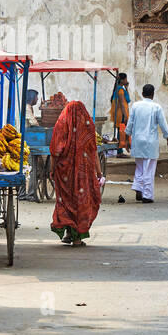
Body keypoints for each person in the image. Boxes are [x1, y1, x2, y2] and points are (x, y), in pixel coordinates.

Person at [49, 100, 103, 245]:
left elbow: (55, 150)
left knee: (66, 201)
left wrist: (52, 169)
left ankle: (69, 233)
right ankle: (77, 238)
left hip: (64, 172)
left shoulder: (61, 124)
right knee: (81, 202)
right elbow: (94, 151)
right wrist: (99, 173)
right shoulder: (87, 126)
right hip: (83, 174)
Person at [126, 84, 168, 203]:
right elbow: (163, 124)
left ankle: (138, 187)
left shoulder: (135, 106)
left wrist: (127, 138)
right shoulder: (156, 107)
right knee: (149, 168)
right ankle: (147, 195)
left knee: (140, 166)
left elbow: (130, 123)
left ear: (142, 93)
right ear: (153, 94)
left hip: (137, 141)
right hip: (150, 142)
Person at [109, 73, 131, 154]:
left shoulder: (121, 89)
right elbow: (122, 103)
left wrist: (127, 88)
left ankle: (120, 150)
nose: (126, 80)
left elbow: (128, 99)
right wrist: (125, 115)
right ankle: (119, 151)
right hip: (121, 113)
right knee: (121, 131)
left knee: (120, 130)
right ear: (122, 80)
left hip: (120, 113)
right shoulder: (120, 90)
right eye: (125, 79)